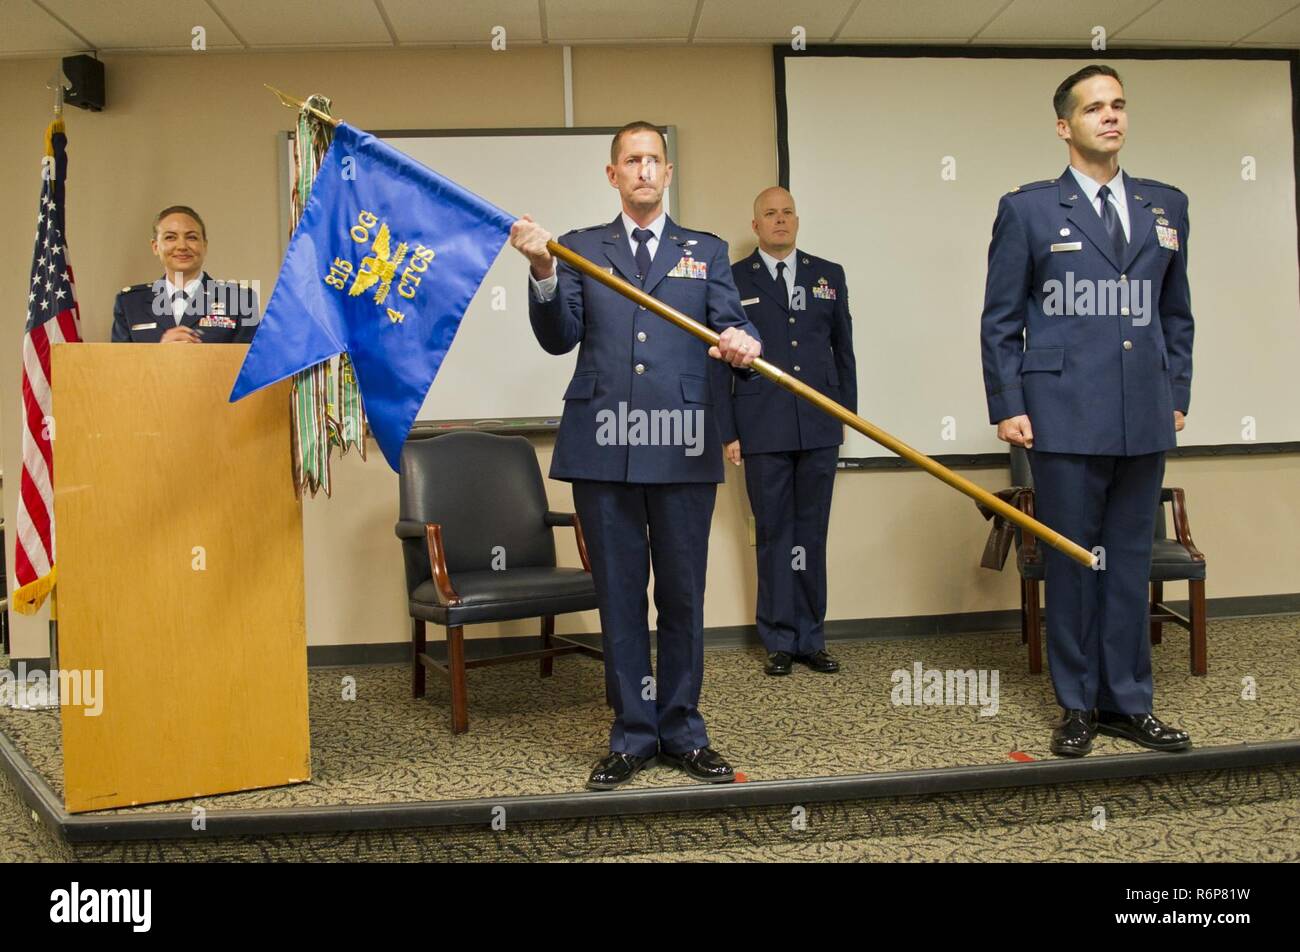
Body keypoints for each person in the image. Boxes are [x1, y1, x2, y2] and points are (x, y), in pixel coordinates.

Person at [509, 121, 762, 790]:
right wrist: (542, 268)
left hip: (681, 445)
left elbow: (734, 324)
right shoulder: (581, 249)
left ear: (668, 173)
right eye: (632, 160)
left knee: (682, 596)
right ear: (613, 174)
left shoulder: (703, 251)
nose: (644, 169)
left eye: (654, 159)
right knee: (620, 598)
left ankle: (681, 730)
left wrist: (742, 341)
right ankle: (631, 734)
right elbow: (558, 336)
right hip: (603, 445)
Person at [980, 65, 1194, 757]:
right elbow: (1000, 319)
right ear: (1064, 125)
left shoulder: (1167, 205)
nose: (1111, 116)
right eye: (1094, 107)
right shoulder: (1030, 210)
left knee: (1129, 563)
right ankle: (1077, 705)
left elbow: (1175, 313)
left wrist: (1178, 392)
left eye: (1119, 105)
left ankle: (1128, 702)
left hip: (1143, 413)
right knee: (1076, 563)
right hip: (1063, 413)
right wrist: (1008, 404)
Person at [715, 187, 856, 676]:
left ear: (797, 220)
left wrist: (846, 417)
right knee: (774, 534)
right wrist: (727, 430)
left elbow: (844, 353)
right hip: (762, 426)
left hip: (818, 425)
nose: (780, 220)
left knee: (811, 534)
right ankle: (777, 638)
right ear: (755, 226)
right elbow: (717, 362)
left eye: (787, 213)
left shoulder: (828, 275)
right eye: (770, 214)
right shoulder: (734, 279)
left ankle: (810, 637)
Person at [112, 205, 258, 343]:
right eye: (170, 237)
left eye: (191, 237)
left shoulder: (240, 299)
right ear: (155, 247)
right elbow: (118, 365)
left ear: (204, 245)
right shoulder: (130, 303)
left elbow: (253, 364)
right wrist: (159, 354)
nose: (182, 246)